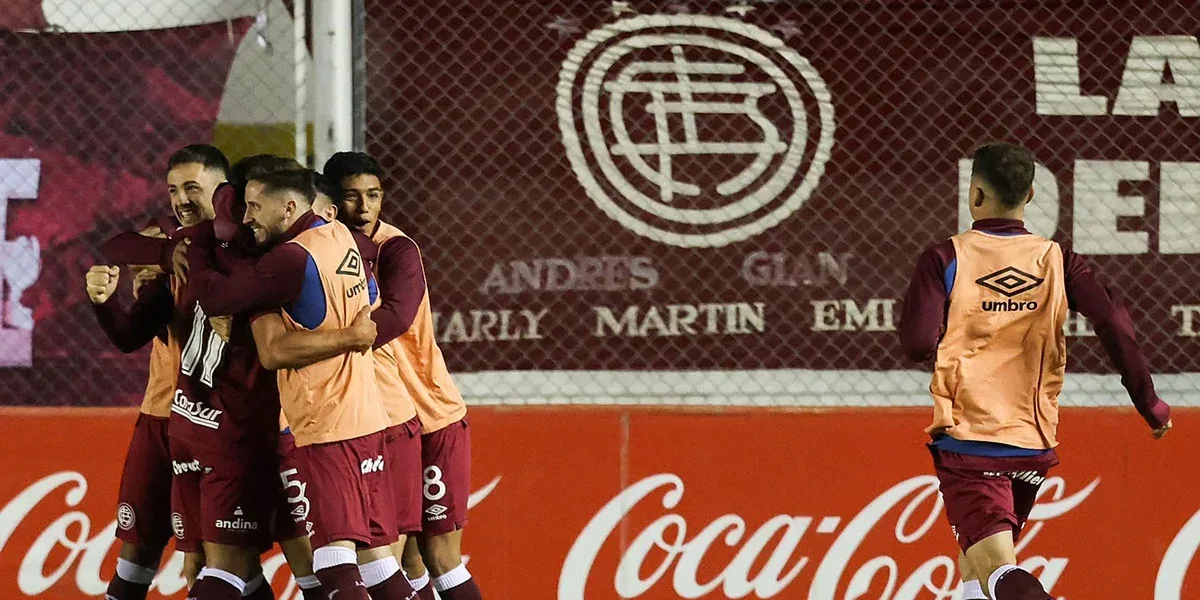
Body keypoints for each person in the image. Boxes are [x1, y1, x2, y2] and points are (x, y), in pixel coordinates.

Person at [899, 141, 1173, 600]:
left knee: (998, 568)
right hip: (1032, 444)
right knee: (976, 564)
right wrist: (1149, 402)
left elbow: (917, 343)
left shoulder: (945, 258)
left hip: (971, 442)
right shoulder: (1058, 260)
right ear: (1029, 197)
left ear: (974, 195)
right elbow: (1112, 323)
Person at [184, 169, 416, 600]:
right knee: (380, 564)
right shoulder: (341, 237)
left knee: (332, 563)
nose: (247, 217)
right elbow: (366, 300)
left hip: (326, 425)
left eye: (255, 207)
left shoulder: (289, 259)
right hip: (367, 417)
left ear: (289, 207)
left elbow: (222, 304)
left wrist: (200, 247)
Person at [326, 151, 481, 600]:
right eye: (352, 196)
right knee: (401, 558)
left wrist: (317, 346)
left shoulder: (397, 250)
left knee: (437, 556)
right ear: (333, 200)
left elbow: (393, 317)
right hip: (389, 422)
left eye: (373, 195)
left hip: (432, 414)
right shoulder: (331, 249)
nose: (364, 207)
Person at [86, 144, 227, 600]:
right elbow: (129, 333)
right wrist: (105, 303)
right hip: (160, 417)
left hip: (215, 421)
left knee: (209, 558)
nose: (180, 199)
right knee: (138, 549)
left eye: (192, 188)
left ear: (224, 191)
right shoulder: (169, 243)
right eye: (172, 190)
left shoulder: (242, 249)